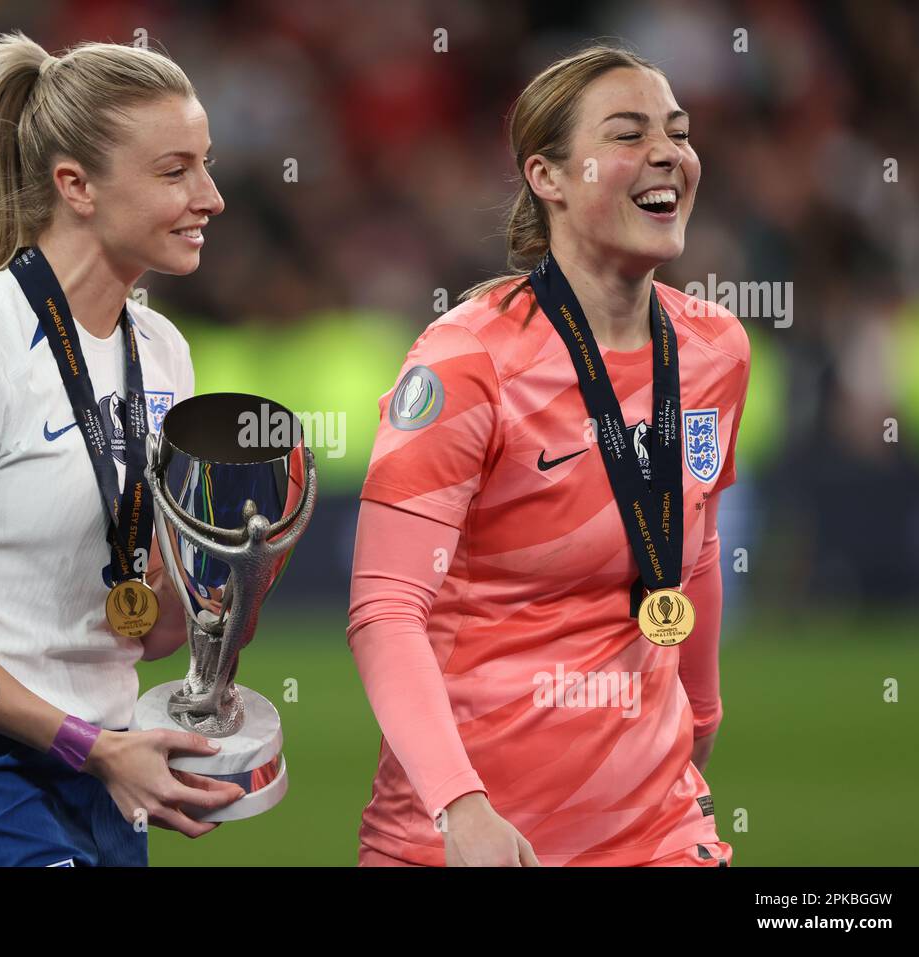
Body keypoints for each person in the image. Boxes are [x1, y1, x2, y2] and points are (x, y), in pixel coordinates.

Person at [347, 44, 751, 867]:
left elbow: (695, 546)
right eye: (630, 134)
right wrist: (461, 810)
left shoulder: (715, 349)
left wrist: (699, 724)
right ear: (548, 177)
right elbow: (387, 610)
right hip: (470, 837)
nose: (668, 152)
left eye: (676, 131)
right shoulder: (466, 361)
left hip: (656, 830)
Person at [0, 31, 242, 867]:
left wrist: (233, 582)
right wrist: (85, 744)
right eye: (175, 171)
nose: (210, 196)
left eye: (205, 165)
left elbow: (145, 634)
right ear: (76, 185)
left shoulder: (164, 351)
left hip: (108, 768)